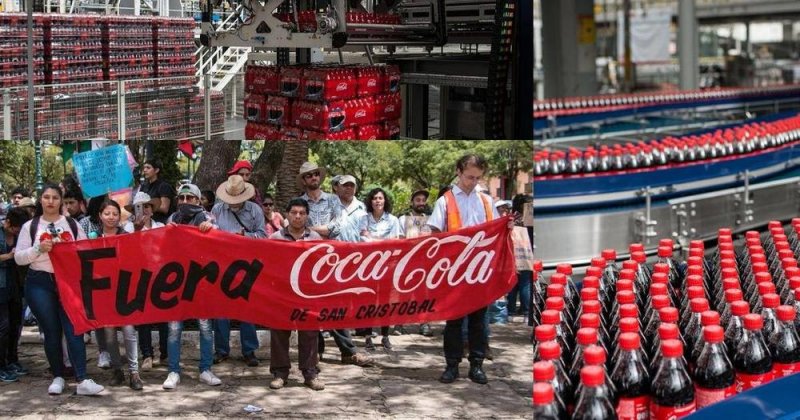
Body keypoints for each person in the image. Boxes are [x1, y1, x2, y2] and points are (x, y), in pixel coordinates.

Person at [14, 183, 105, 395]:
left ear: (61, 201)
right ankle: (57, 376)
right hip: (39, 282)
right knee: (51, 331)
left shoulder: (72, 224)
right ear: (40, 200)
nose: (50, 201)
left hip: (68, 282)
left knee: (74, 329)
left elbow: (85, 252)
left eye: (55, 197)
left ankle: (82, 378)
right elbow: (19, 258)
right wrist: (38, 248)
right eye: (46, 197)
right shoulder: (31, 226)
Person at [427, 154, 500, 385]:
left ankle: (476, 366)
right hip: (454, 271)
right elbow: (435, 235)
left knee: (479, 320)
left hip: (480, 271)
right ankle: (451, 365)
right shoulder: (445, 201)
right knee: (454, 321)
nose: (473, 182)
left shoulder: (487, 201)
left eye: (478, 178)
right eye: (469, 177)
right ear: (458, 171)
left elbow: (497, 233)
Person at [296, 162, 371, 367]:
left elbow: (336, 227)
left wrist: (312, 229)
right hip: (308, 260)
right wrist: (317, 229)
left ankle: (348, 351)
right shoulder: (299, 202)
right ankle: (315, 352)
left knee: (334, 305)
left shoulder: (332, 200)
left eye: (315, 174)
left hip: (331, 259)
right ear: (303, 180)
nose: (313, 177)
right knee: (310, 304)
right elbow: (297, 226)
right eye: (309, 175)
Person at [163, 183, 221, 390]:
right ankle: (173, 371)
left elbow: (220, 239)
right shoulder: (172, 220)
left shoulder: (208, 219)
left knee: (205, 327)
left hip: (202, 282)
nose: (185, 202)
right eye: (182, 198)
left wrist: (210, 230)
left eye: (190, 198)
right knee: (173, 328)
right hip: (177, 282)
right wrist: (166, 234)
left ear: (198, 201)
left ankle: (206, 369)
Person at [268, 198, 324, 391]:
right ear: (287, 214)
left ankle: (310, 373)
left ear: (307, 215)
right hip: (282, 292)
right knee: (279, 332)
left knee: (309, 332)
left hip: (307, 293)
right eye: (294, 213)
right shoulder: (275, 238)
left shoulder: (315, 238)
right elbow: (268, 265)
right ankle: (280, 373)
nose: (298, 216)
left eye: (301, 213)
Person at [211, 175, 266, 367]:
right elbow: (211, 235)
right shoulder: (217, 209)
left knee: (247, 310)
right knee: (220, 310)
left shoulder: (256, 210)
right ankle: (221, 350)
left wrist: (246, 236)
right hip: (223, 264)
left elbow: (263, 236)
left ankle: (249, 350)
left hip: (248, 265)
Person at [91, 200, 143, 390]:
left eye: (114, 214)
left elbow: (138, 254)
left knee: (129, 331)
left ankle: (134, 373)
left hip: (124, 289)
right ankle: (117, 371)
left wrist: (137, 233)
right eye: (107, 213)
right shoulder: (93, 237)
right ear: (100, 215)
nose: (111, 217)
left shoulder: (126, 235)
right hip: (103, 291)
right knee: (109, 334)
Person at [358, 187, 401, 350]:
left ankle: (385, 335)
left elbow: (394, 242)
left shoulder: (393, 220)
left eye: (380, 198)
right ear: (370, 201)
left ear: (385, 201)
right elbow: (363, 240)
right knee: (369, 300)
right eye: (375, 198)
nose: (377, 201)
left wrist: (373, 238)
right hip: (369, 266)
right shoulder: (364, 219)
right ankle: (368, 336)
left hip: (388, 266)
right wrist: (382, 240)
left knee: (385, 301)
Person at [397, 189, 434, 337]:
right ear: (412, 202)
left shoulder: (431, 220)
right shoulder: (402, 219)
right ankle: (399, 323)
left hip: (425, 262)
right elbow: (399, 239)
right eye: (417, 200)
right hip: (407, 262)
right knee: (402, 293)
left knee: (424, 294)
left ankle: (424, 323)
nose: (421, 203)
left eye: (423, 200)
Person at [0, 207, 31, 382]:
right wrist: (8, 256)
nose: (17, 232)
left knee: (15, 325)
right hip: (1, 285)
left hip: (16, 285)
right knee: (3, 327)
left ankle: (12, 360)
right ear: (8, 222)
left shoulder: (21, 236)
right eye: (15, 228)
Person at [330, 174, 366, 243]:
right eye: (345, 185)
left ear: (355, 189)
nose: (349, 188)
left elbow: (366, 232)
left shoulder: (363, 207)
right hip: (335, 251)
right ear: (336, 187)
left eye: (352, 185)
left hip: (357, 251)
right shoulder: (329, 206)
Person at [140, 159, 175, 225]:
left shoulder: (164, 186)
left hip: (160, 224)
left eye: (148, 168)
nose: (145, 170)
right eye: (144, 167)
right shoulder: (144, 186)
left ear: (156, 170)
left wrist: (148, 205)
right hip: (145, 223)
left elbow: (164, 208)